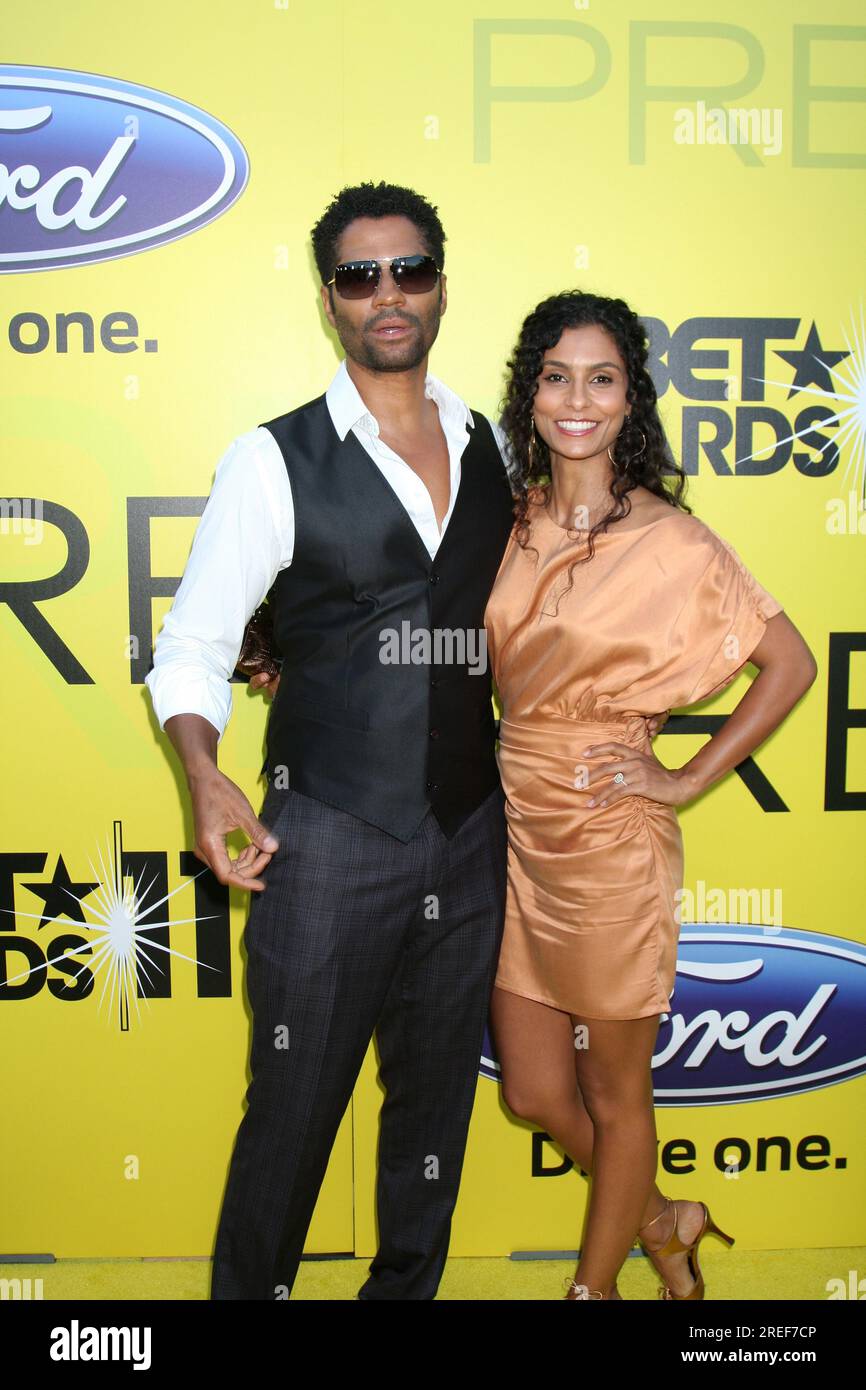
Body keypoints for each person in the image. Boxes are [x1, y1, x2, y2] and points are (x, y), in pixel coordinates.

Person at [145, 181, 520, 1300]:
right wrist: (204, 774)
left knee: (434, 1106)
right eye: (360, 277)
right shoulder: (272, 461)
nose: (386, 294)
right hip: (326, 835)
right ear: (329, 301)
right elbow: (190, 647)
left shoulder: (491, 441)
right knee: (293, 1108)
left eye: (407, 269)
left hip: (466, 828)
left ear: (440, 284)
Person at [484, 290, 817, 1301]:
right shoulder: (503, 517)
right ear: (527, 391)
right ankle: (665, 1220)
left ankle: (594, 1292)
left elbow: (789, 663)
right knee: (537, 1093)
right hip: (508, 830)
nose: (575, 399)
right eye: (554, 376)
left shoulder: (669, 540)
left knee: (614, 1095)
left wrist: (679, 778)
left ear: (630, 397)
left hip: (605, 842)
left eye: (600, 377)